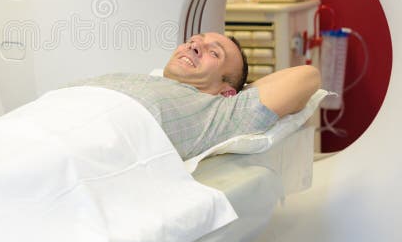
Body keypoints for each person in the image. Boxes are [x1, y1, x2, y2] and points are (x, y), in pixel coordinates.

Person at [74, 32, 321, 159]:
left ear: (226, 91)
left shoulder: (215, 113)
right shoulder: (137, 78)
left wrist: (237, 92)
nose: (194, 45)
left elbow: (307, 77)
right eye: (195, 40)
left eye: (214, 53)